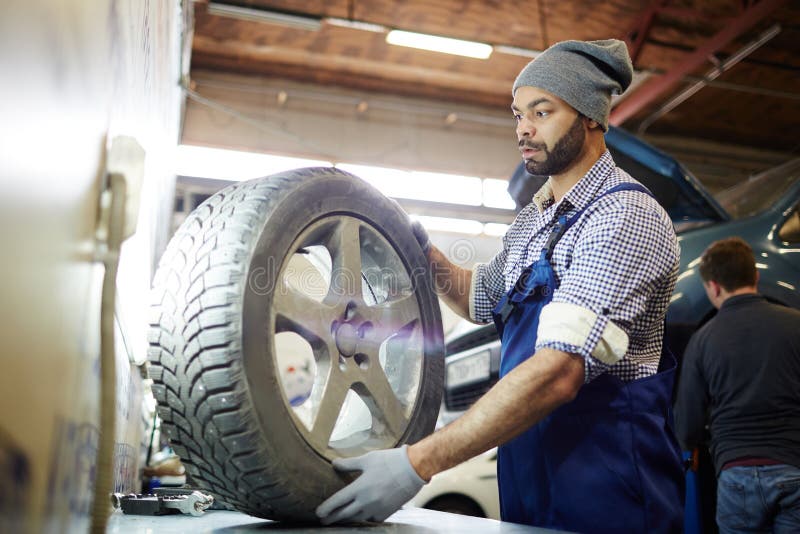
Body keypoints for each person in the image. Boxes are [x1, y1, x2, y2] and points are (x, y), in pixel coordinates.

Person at [316, 39, 685, 532]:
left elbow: (558, 373)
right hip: (531, 479)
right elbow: (480, 297)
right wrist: (425, 256)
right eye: (517, 114)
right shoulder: (534, 220)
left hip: (609, 486)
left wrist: (417, 463)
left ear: (592, 116)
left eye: (541, 111)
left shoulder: (624, 216)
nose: (523, 129)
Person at [674, 237, 800, 533]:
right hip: (794, 468)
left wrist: (689, 445)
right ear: (755, 276)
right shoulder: (796, 324)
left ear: (713, 287)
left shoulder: (704, 340)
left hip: (736, 473)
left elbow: (688, 419)